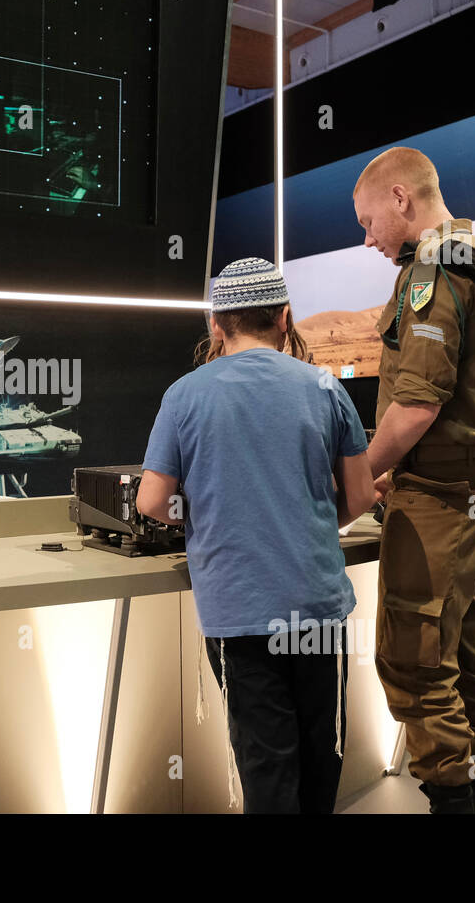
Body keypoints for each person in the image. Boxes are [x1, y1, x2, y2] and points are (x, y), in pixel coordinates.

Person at [137, 257, 375, 814]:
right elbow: (361, 497)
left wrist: (211, 517)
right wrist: (308, 518)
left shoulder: (185, 394)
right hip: (317, 606)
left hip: (239, 612)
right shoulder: (324, 387)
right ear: (285, 318)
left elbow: (152, 500)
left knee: (266, 766)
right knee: (322, 754)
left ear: (217, 324)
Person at [352, 146, 475, 813]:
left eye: (369, 221)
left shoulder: (433, 271)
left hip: (441, 504)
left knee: (417, 667)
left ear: (401, 199)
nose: (367, 238)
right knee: (471, 657)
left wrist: (362, 474)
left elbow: (418, 403)